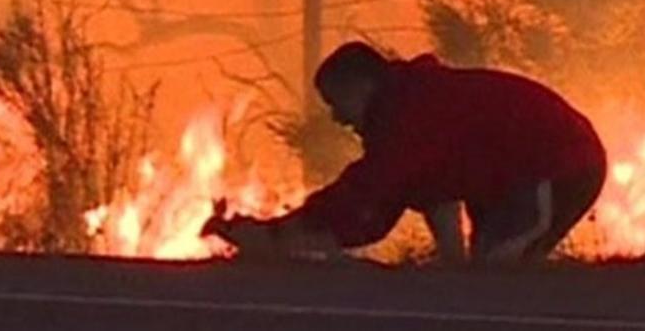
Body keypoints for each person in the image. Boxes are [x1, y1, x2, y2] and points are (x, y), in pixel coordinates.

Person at [203, 42, 607, 263]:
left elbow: (369, 194)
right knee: (480, 280)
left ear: (360, 86)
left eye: (335, 102)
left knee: (495, 278)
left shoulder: (411, 112)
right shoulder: (408, 106)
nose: (337, 118)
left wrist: (280, 233)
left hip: (559, 163)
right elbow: (432, 196)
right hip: (528, 173)